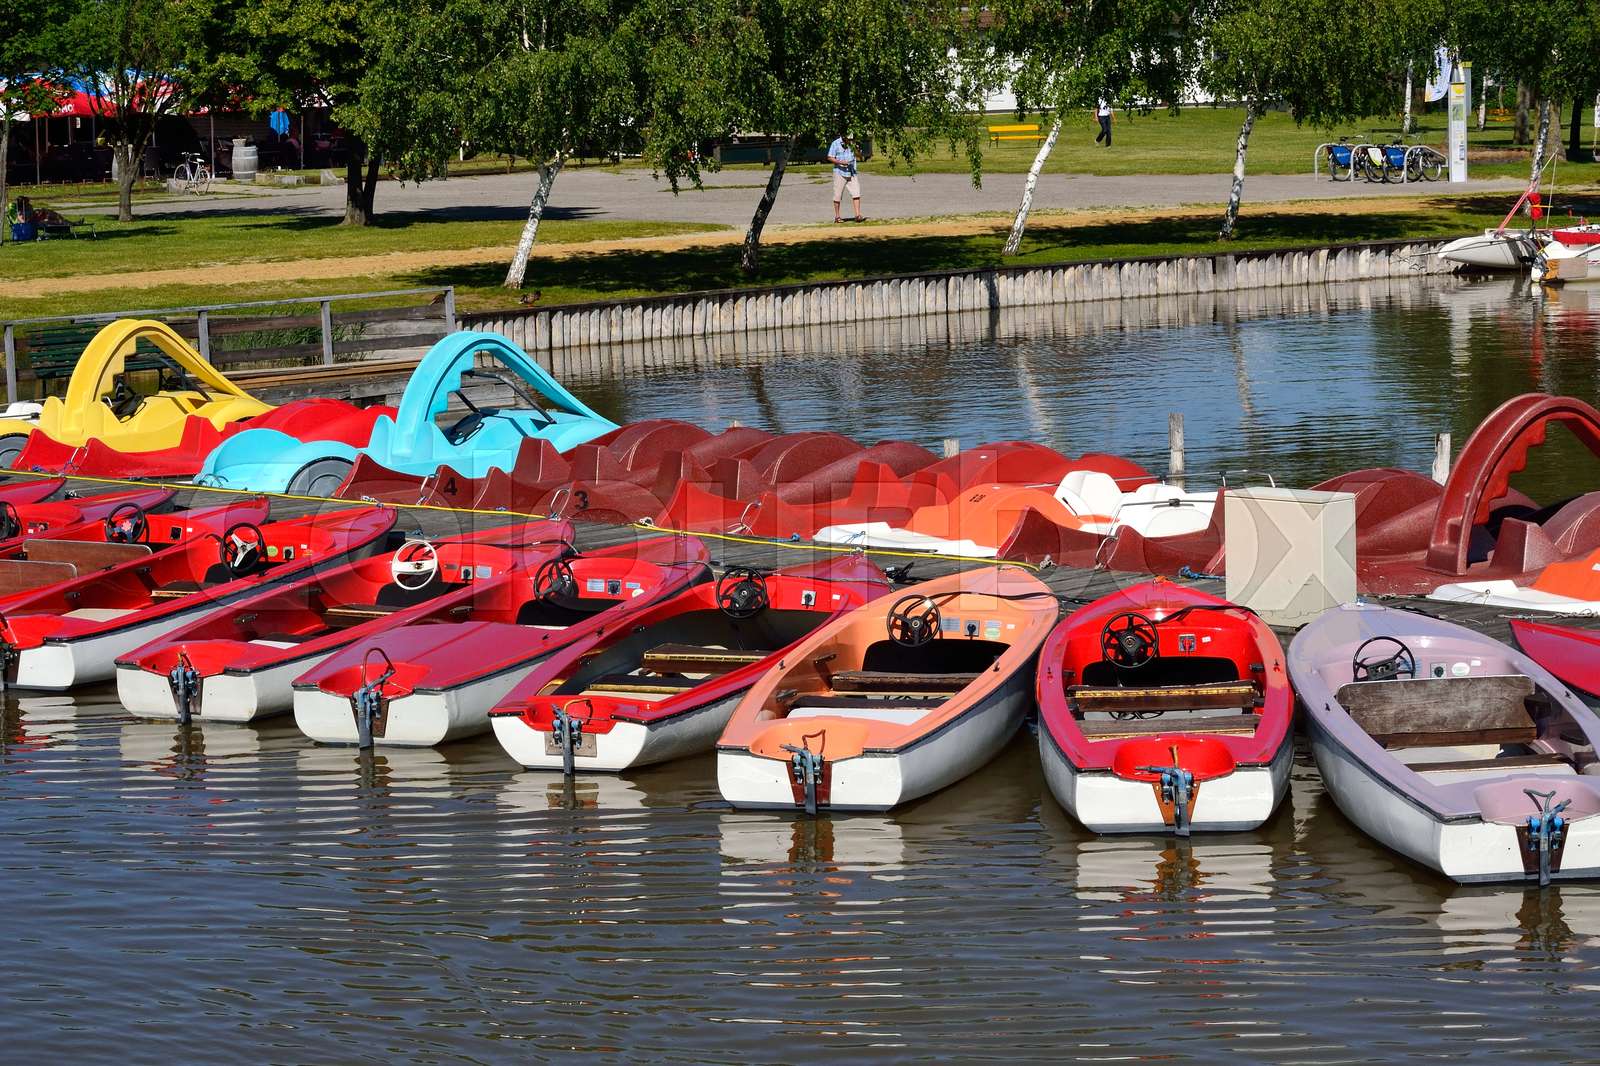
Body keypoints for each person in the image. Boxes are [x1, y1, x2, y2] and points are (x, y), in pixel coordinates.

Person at [828, 132, 863, 222]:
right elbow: (830, 157)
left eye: (850, 138)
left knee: (856, 193)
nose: (849, 140)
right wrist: (840, 162)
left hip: (851, 171)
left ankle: (858, 215)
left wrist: (858, 150)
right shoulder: (835, 143)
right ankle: (837, 217)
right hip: (839, 172)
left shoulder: (853, 144)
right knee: (837, 195)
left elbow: (859, 157)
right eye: (848, 138)